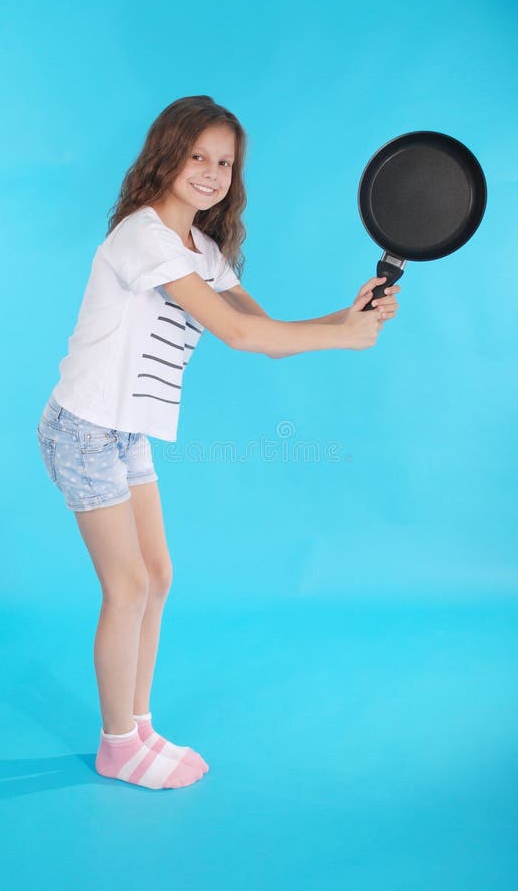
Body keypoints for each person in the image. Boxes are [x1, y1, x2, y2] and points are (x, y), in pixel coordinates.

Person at [36, 94, 400, 791]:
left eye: (224, 161)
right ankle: (117, 746)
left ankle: (137, 727)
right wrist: (341, 338)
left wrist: (348, 317)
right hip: (83, 429)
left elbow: (267, 333)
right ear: (165, 156)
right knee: (129, 584)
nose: (210, 171)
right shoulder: (143, 237)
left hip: (125, 429)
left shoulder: (201, 250)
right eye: (197, 155)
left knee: (159, 578)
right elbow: (239, 336)